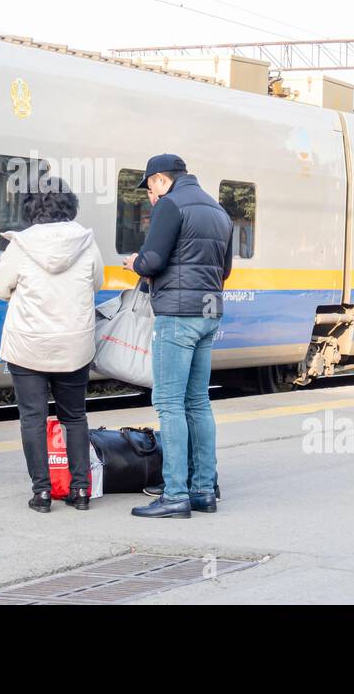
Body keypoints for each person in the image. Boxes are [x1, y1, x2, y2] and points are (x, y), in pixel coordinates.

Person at [124, 154, 232, 519]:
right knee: (198, 402)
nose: (150, 194)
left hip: (177, 314)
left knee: (169, 403)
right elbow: (226, 269)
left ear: (159, 180)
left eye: (149, 186)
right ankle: (203, 489)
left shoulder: (171, 205)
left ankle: (174, 494)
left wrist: (135, 263)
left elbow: (152, 261)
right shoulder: (217, 209)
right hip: (208, 311)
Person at [0, 176, 104, 512]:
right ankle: (82, 490)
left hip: (29, 345)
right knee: (75, 417)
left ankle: (41, 493)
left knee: (32, 418)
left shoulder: (21, 245)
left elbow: (0, 289)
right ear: (69, 207)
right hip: (73, 346)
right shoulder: (87, 243)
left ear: (31, 209)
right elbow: (96, 284)